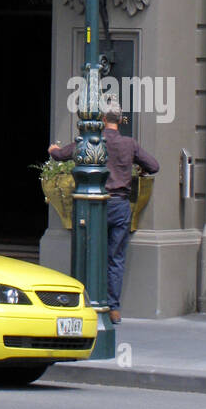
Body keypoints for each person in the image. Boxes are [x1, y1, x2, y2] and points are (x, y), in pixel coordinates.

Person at [48, 96, 159, 322]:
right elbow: (154, 166)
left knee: (89, 253)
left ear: (100, 118)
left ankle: (86, 301)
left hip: (95, 206)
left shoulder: (92, 139)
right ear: (119, 120)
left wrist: (53, 149)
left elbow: (60, 155)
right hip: (120, 205)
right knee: (115, 258)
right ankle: (113, 307)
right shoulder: (129, 144)